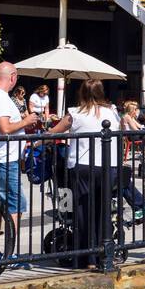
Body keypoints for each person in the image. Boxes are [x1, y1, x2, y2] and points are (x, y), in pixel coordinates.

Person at [48, 80, 119, 266]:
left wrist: (38, 140)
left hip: (82, 166)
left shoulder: (75, 113)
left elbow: (54, 133)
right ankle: (105, 255)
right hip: (107, 165)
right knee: (103, 210)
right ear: (101, 92)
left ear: (82, 93)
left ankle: (86, 257)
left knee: (82, 211)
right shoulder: (112, 112)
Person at [0, 62, 41, 257]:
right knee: (16, 205)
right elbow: (5, 128)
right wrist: (27, 121)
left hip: (1, 158)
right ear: (13, 77)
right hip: (3, 160)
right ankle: (9, 254)